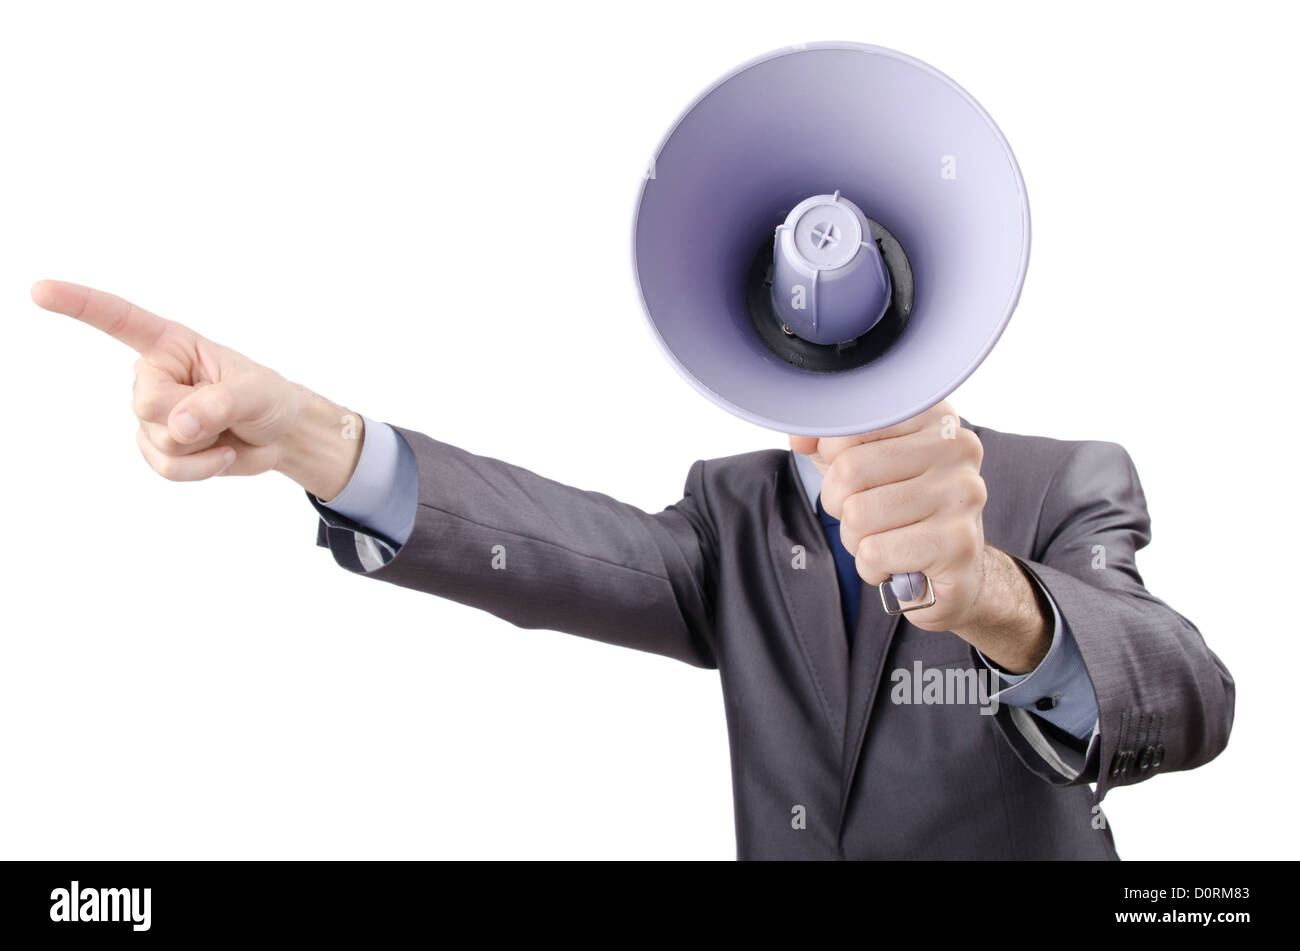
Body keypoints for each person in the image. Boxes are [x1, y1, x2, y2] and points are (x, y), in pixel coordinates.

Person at [30, 279, 1235, 860]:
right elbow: (561, 547)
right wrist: (321, 444)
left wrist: (993, 600)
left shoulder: (1068, 479)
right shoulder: (733, 509)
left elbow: (1187, 699)